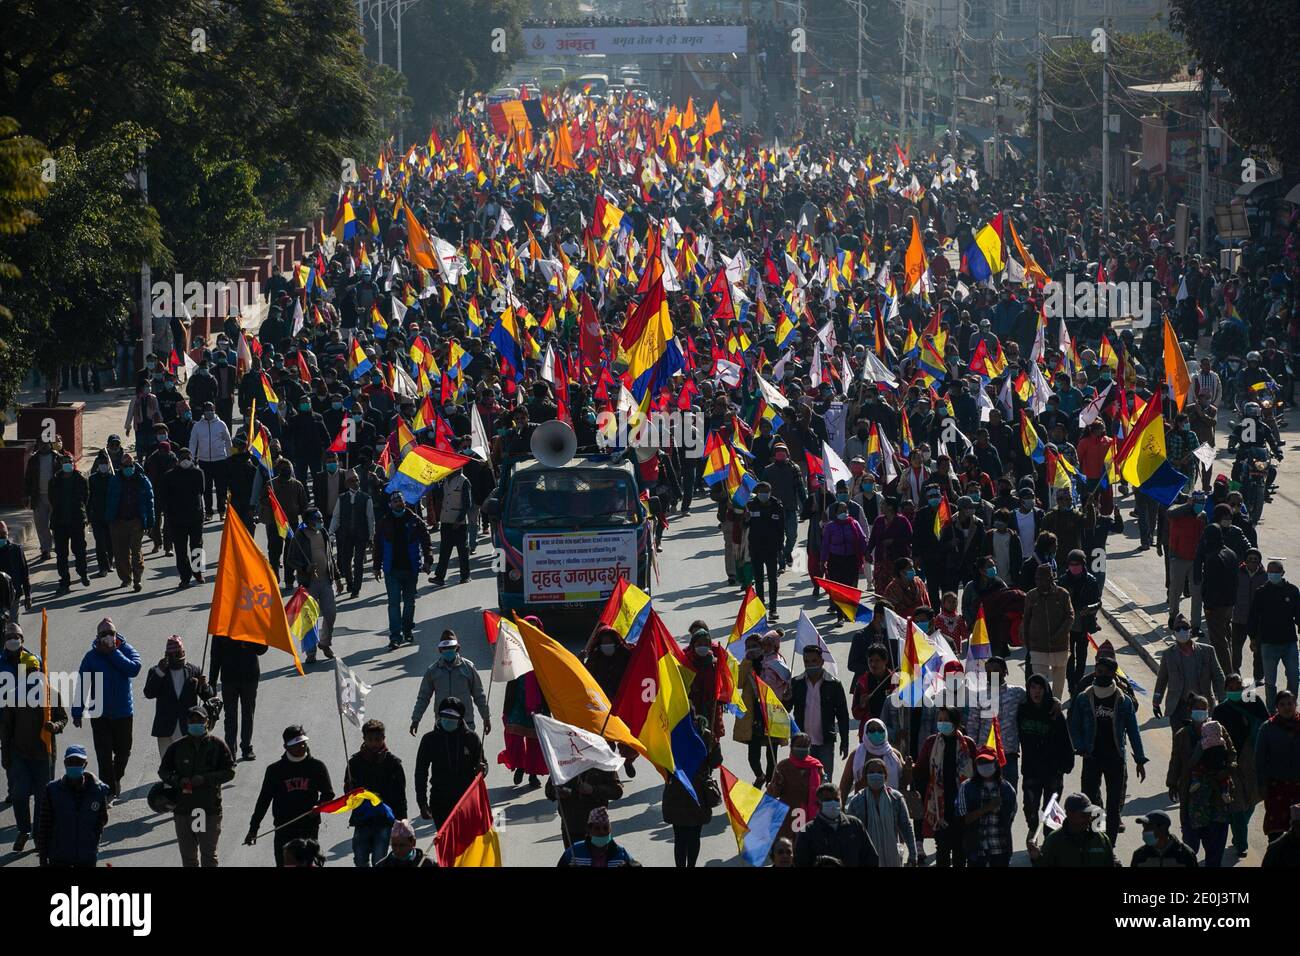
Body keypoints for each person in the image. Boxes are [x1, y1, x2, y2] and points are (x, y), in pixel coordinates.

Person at [1068, 655, 1149, 845]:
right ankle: (1097, 837)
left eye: (1103, 672)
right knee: (1091, 802)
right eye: (1097, 670)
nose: (1099, 674)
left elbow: (1133, 731)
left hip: (1115, 758)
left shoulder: (1124, 701)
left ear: (1113, 674)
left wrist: (1140, 759)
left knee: (1113, 806)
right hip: (1091, 756)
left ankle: (1109, 845)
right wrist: (1080, 747)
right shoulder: (1083, 698)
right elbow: (1074, 725)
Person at [0, 625, 67, 852]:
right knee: (19, 795)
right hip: (20, 753)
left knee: (42, 797)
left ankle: (39, 834)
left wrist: (53, 725)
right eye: (28, 673)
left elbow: (63, 719)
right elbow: (6, 729)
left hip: (43, 754)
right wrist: (6, 756)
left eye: (35, 672)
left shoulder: (51, 694)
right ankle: (23, 829)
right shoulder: (12, 697)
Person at [70, 617, 141, 800]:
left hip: (123, 712)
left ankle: (116, 778)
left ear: (116, 635)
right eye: (104, 634)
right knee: (103, 755)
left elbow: (134, 669)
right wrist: (77, 712)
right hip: (100, 713)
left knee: (123, 751)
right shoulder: (91, 657)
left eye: (111, 633)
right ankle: (107, 792)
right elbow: (82, 685)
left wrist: (113, 653)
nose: (108, 637)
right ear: (98, 637)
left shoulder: (125, 649)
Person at [158, 705, 236, 867]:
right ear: (186, 722)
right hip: (183, 811)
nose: (196, 723)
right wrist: (178, 780)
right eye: (192, 720)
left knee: (208, 856)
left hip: (209, 810)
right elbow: (163, 771)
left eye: (199, 720)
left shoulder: (217, 746)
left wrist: (205, 779)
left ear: (207, 721)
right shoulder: (177, 747)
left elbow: (230, 772)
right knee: (189, 858)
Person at [245, 725, 335, 866]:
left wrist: (318, 805)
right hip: (284, 828)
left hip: (309, 828)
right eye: (296, 744)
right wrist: (253, 828)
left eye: (303, 742)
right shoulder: (275, 770)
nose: (301, 746)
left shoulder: (317, 766)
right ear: (286, 746)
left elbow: (328, 794)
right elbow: (264, 800)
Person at [1168, 709, 1237, 866]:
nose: (1201, 714)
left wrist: (1227, 769)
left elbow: (1232, 754)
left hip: (1218, 797)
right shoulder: (1183, 735)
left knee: (1217, 839)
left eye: (1204, 709)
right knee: (1190, 841)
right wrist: (1172, 783)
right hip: (1194, 799)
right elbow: (1176, 760)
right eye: (1197, 709)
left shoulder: (1218, 729)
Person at [914, 706, 977, 867]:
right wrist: (909, 769)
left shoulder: (967, 744)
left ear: (955, 723)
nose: (942, 723)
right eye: (940, 720)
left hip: (961, 805)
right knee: (942, 849)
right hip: (939, 805)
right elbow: (920, 770)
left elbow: (976, 773)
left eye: (946, 720)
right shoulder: (931, 743)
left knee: (960, 850)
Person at [1213, 673, 1268, 857]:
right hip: (1231, 763)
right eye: (1231, 688)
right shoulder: (1220, 710)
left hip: (1253, 761)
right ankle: (1241, 843)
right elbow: (1215, 739)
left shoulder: (1255, 703)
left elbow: (1268, 726)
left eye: (1239, 687)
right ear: (1225, 689)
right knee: (1236, 805)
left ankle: (1239, 831)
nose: (1236, 691)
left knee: (1252, 799)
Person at [1152, 615, 1226, 743]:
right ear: (1174, 633)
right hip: (1179, 707)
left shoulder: (1207, 651)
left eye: (1185, 628)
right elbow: (1162, 680)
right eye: (1178, 628)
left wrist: (1223, 699)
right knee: (1180, 744)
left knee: (1205, 743)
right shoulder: (1168, 655)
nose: (1182, 631)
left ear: (1190, 630)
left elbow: (1218, 676)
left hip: (1203, 707)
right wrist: (1156, 701)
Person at [343, 719, 406, 867]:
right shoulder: (354, 763)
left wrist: (402, 820)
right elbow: (348, 794)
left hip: (384, 819)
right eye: (370, 740)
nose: (374, 743)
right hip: (362, 818)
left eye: (377, 739)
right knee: (360, 858)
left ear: (383, 739)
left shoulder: (393, 763)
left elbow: (400, 794)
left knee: (379, 860)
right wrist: (349, 787)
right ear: (364, 739)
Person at [415, 698, 486, 827]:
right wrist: (422, 803)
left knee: (466, 844)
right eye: (444, 716)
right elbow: (421, 772)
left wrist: (483, 769)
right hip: (440, 800)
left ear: (460, 719)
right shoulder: (429, 740)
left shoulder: (471, 738)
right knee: (446, 843)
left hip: (467, 799)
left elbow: (482, 765)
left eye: (452, 717)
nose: (448, 720)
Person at [36, 745, 111, 868]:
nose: (74, 765)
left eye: (78, 762)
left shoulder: (97, 791)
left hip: (86, 856)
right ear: (65, 763)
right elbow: (44, 824)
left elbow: (101, 820)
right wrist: (43, 857)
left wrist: (93, 845)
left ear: (85, 764)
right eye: (71, 762)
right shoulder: (52, 790)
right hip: (59, 856)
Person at [661, 719, 722, 867]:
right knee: (694, 835)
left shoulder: (671, 735)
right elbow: (715, 762)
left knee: (680, 837)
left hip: (677, 790)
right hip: (698, 792)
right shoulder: (705, 735)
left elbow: (662, 761)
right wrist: (713, 744)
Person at [375, 492, 432, 648]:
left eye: (400, 500)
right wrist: (376, 566)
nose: (398, 503)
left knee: (409, 603)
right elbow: (378, 545)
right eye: (395, 501)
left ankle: (407, 630)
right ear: (390, 505)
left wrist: (428, 560)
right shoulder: (384, 522)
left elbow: (426, 540)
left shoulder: (414, 520)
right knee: (393, 604)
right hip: (391, 570)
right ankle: (395, 636)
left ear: (404, 502)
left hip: (411, 569)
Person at [410, 630, 490, 736]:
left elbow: (479, 695)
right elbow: (423, 697)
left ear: (457, 648)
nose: (448, 650)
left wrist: (486, 717)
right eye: (445, 648)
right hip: (443, 724)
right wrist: (416, 719)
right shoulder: (432, 671)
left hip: (465, 723)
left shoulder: (468, 668)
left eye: (451, 647)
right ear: (440, 650)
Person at [283, 507, 338, 663]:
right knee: (309, 618)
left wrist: (337, 577)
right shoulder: (299, 538)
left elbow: (329, 556)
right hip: (309, 585)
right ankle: (310, 652)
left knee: (330, 613)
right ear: (308, 521)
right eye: (318, 519)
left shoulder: (323, 533)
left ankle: (325, 642)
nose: (321, 521)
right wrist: (304, 568)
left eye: (321, 518)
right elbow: (290, 560)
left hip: (326, 581)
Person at [143, 636, 213, 757]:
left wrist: (205, 686)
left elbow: (208, 697)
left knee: (188, 763)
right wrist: (159, 672)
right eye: (171, 654)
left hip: (188, 727)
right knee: (167, 765)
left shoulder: (194, 670)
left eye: (177, 653)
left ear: (184, 652)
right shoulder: (157, 671)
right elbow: (149, 693)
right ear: (165, 655)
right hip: (166, 728)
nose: (175, 657)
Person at [789, 644, 850, 778]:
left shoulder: (834, 684)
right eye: (807, 661)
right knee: (802, 782)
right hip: (801, 744)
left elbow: (842, 715)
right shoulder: (796, 683)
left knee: (824, 782)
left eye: (814, 661)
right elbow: (786, 710)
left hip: (825, 743)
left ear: (822, 661)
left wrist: (844, 742)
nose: (810, 665)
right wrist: (786, 698)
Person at [1248, 560, 1300, 711]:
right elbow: (1253, 617)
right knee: (1270, 682)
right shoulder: (1261, 592)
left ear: (1282, 573)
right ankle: (1271, 711)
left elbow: (1298, 614)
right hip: (1268, 644)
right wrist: (1252, 638)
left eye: (1276, 572)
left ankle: (1290, 708)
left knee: (1294, 677)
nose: (1272, 574)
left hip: (1289, 643)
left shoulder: (1292, 591)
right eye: (1270, 571)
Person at [845, 756, 916, 867]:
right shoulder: (857, 801)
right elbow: (849, 833)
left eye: (879, 772)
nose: (875, 774)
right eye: (871, 772)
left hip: (892, 857)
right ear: (865, 776)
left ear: (885, 776)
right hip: (866, 857)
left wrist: (913, 854)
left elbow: (906, 827)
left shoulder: (895, 798)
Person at [209, 633, 267, 761]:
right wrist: (212, 682)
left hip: (250, 677)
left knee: (248, 712)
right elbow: (215, 656)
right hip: (229, 678)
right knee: (230, 715)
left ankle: (246, 747)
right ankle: (230, 752)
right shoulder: (221, 628)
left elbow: (261, 650)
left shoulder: (251, 624)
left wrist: (252, 638)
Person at [793, 782, 878, 866]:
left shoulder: (854, 825)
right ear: (818, 803)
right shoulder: (808, 831)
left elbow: (871, 857)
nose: (833, 803)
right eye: (828, 800)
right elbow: (801, 862)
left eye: (836, 800)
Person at [1022, 562, 1074, 697]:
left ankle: (1055, 707)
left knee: (1058, 685)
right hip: (1038, 647)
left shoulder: (1062, 594)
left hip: (1060, 646)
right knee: (1040, 683)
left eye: (1043, 579)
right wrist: (1028, 643)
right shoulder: (1031, 596)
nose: (1039, 582)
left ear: (1051, 579)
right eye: (1037, 579)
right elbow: (1026, 619)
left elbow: (1070, 616)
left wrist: (1059, 634)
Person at [957, 752, 1016, 866]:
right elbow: (963, 819)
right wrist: (987, 808)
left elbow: (1010, 817)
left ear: (996, 764)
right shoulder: (967, 788)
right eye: (981, 762)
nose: (984, 766)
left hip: (1000, 849)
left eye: (988, 762)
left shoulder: (1007, 789)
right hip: (976, 850)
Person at [105, 453, 154, 592]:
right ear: (121, 467)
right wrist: (109, 519)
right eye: (125, 466)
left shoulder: (142, 480)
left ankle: (137, 579)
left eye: (130, 466)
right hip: (118, 522)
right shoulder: (115, 480)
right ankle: (126, 578)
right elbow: (109, 501)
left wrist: (150, 522)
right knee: (121, 554)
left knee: (136, 551)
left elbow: (150, 502)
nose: (128, 468)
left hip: (136, 522)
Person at [1255, 690, 1300, 840]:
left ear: (1295, 704)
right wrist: (1261, 785)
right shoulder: (1267, 728)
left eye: (1290, 703)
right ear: (1276, 707)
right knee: (1276, 834)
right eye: (1282, 704)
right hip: (1276, 788)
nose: (1287, 707)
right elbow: (1259, 759)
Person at [1029, 792, 1119, 866]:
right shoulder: (1054, 841)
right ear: (1069, 814)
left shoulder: (1101, 840)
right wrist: (1037, 859)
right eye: (1084, 814)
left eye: (1089, 814)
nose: (1089, 818)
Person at [546, 764, 624, 848]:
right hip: (570, 825)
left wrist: (593, 790)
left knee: (599, 859)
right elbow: (549, 790)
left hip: (597, 827)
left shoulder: (602, 760)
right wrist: (556, 792)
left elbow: (617, 791)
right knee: (574, 860)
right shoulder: (563, 762)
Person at [766, 732, 824, 844]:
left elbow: (823, 790)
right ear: (791, 747)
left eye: (805, 746)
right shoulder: (783, 766)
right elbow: (774, 794)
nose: (802, 749)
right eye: (799, 746)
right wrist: (775, 784)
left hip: (812, 815)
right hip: (790, 815)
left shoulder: (816, 766)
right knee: (791, 846)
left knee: (808, 846)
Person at [1058, 549, 1101, 695]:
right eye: (1071, 564)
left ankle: (1078, 683)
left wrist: (1090, 608)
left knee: (1081, 657)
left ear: (1083, 565)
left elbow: (1098, 602)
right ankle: (1072, 685)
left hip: (1083, 625)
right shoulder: (1062, 581)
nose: (1074, 567)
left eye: (1077, 564)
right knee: (1069, 658)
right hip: (1067, 626)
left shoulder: (1091, 581)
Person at [160, 447, 206, 586]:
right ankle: (185, 577)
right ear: (178, 460)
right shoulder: (169, 475)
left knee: (197, 546)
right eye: (183, 458)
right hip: (177, 518)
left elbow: (201, 491)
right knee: (180, 550)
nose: (185, 460)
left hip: (195, 517)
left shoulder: (198, 473)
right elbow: (164, 496)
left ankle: (198, 573)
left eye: (187, 457)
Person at [47, 452, 90, 592]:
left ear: (73, 463)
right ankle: (64, 580)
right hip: (59, 523)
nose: (67, 464)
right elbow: (51, 499)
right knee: (61, 554)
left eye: (69, 461)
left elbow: (85, 498)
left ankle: (83, 573)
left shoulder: (81, 479)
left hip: (76, 521)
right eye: (64, 461)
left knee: (80, 551)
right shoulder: (54, 480)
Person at [498, 671, 548, 789]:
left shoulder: (540, 659)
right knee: (514, 739)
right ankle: (519, 766)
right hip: (517, 704)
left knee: (535, 742)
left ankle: (533, 774)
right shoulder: (516, 659)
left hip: (538, 706)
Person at [330, 470, 375, 599]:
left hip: (361, 535)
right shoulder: (342, 498)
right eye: (352, 481)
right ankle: (350, 583)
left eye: (357, 480)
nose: (355, 483)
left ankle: (356, 588)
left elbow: (370, 519)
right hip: (345, 535)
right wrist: (331, 532)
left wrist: (371, 536)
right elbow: (336, 517)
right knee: (345, 561)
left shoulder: (366, 498)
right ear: (346, 483)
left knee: (359, 561)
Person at [745, 481, 786, 619]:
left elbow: (781, 529)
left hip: (772, 548)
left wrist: (781, 548)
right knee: (759, 579)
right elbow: (744, 525)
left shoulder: (777, 506)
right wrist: (744, 519)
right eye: (761, 491)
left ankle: (773, 609)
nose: (764, 494)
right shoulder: (750, 505)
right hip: (756, 548)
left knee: (773, 580)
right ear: (757, 492)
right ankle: (761, 607)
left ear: (770, 492)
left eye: (766, 491)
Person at [431, 467, 473, 586]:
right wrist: (435, 484)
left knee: (462, 551)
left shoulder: (464, 481)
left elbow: (467, 503)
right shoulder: (444, 480)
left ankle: (465, 576)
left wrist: (459, 520)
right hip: (446, 520)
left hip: (458, 523)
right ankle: (439, 577)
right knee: (444, 550)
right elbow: (439, 496)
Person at [557, 806, 638, 867]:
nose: (602, 832)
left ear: (610, 830)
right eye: (597, 828)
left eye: (605, 828)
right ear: (589, 830)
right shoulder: (574, 852)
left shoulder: (621, 854)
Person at [1129, 809, 1198, 867]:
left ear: (1163, 828)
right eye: (1144, 828)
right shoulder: (1140, 855)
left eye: (1149, 828)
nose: (1144, 832)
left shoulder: (1185, 854)